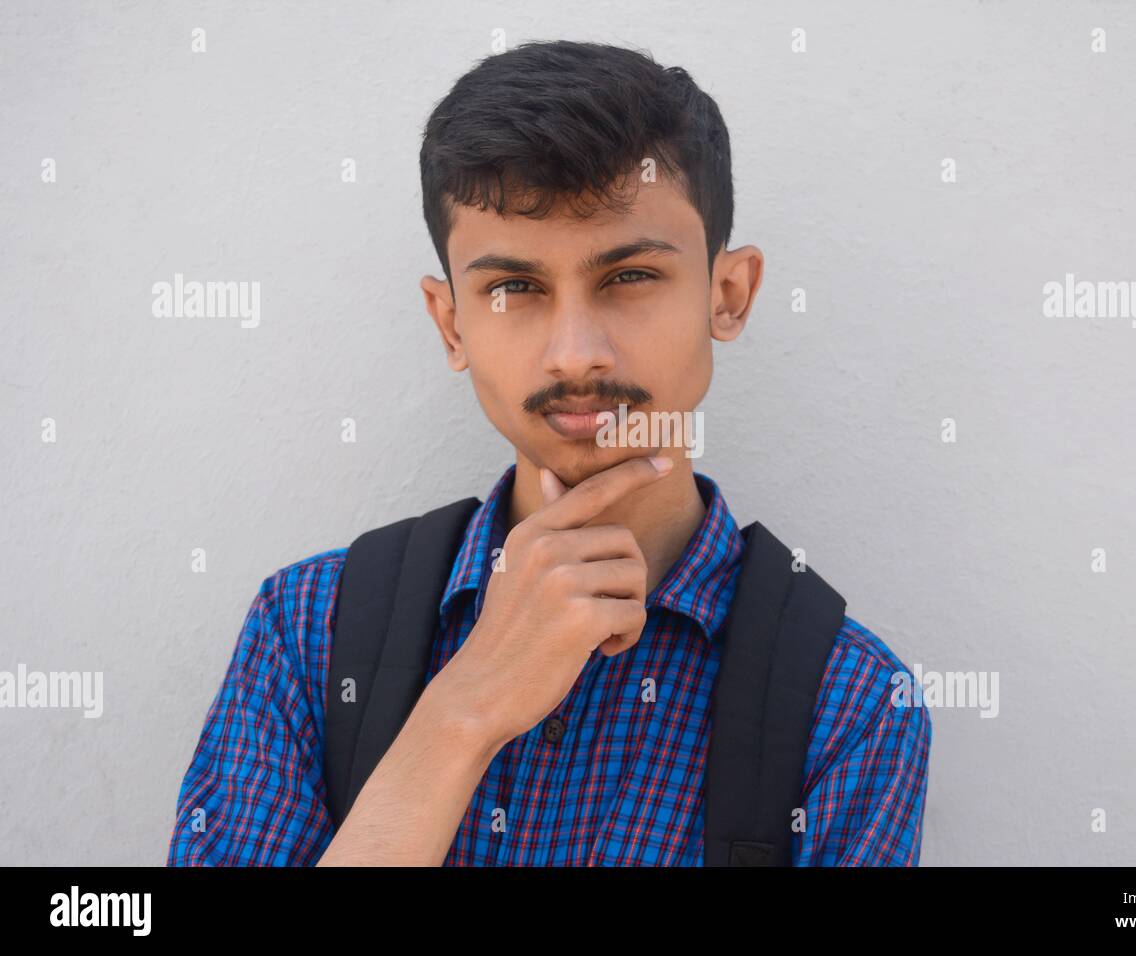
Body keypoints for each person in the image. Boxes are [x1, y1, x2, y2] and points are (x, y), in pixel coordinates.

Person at [167, 39, 931, 867]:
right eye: (515, 289)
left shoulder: (848, 702)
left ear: (728, 293)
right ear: (451, 322)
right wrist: (465, 708)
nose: (574, 354)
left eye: (630, 276)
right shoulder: (308, 632)